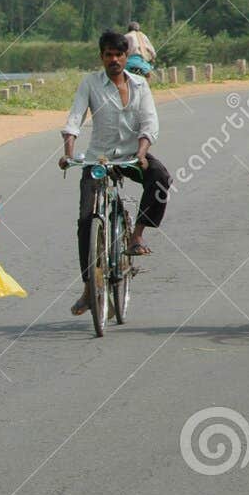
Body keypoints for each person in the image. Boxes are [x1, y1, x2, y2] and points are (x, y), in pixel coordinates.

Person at [59, 29, 172, 315]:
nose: (113, 60)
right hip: (98, 158)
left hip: (132, 156)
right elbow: (74, 119)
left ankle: (136, 236)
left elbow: (149, 123)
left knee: (160, 177)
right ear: (102, 57)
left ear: (126, 57)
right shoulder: (90, 84)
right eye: (108, 55)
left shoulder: (139, 86)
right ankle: (88, 287)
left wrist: (143, 153)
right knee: (86, 219)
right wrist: (68, 153)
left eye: (118, 55)